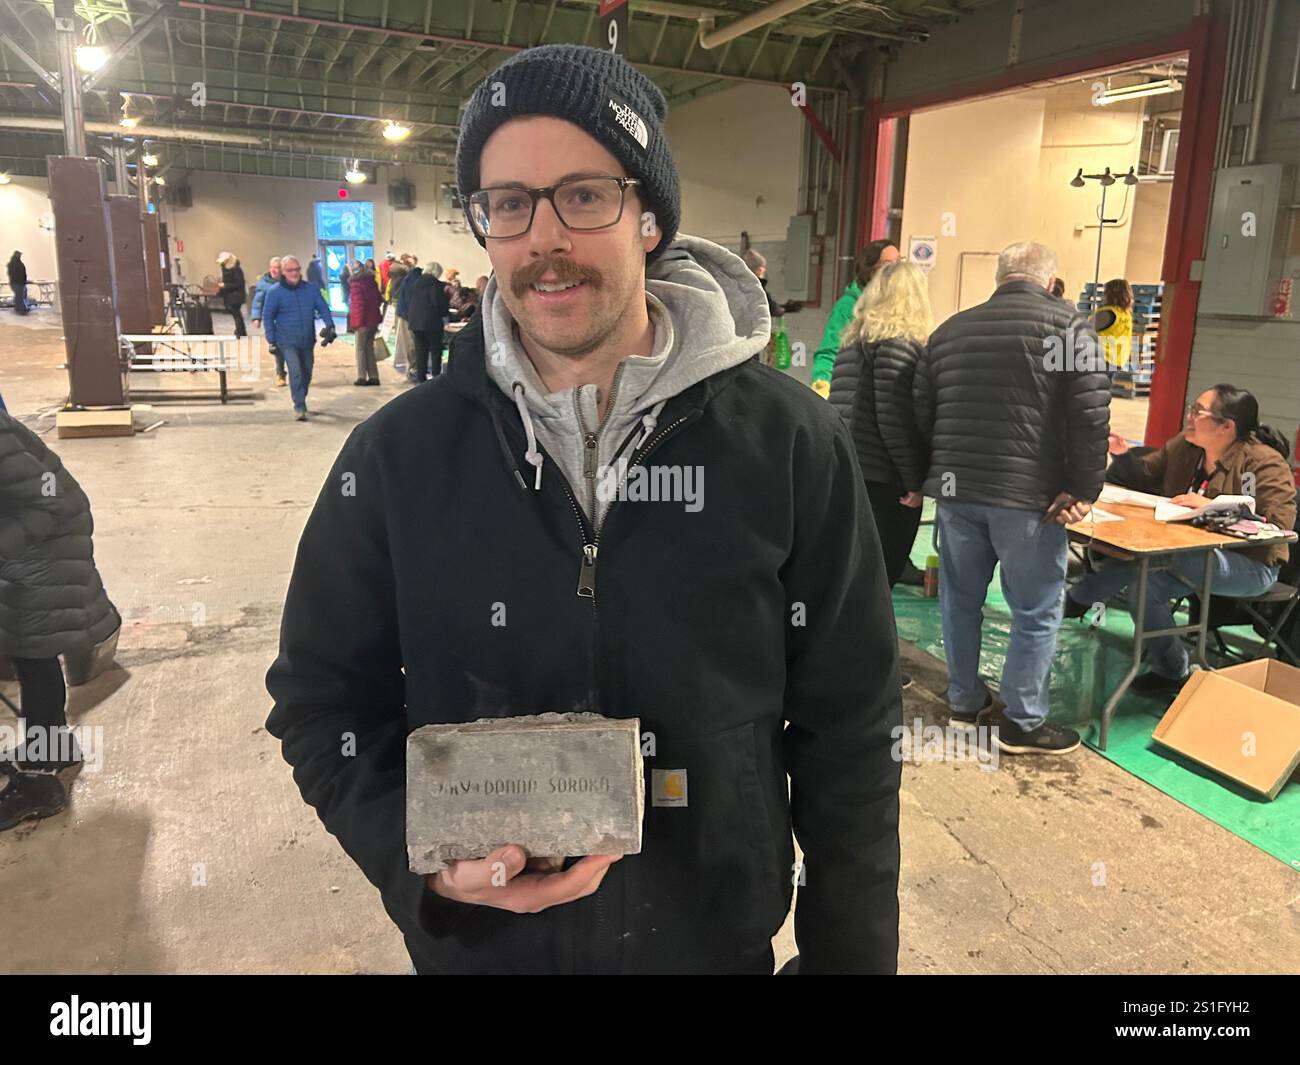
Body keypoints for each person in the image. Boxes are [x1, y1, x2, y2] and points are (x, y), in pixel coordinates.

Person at [265, 43, 901, 976]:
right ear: (484, 225)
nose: (544, 238)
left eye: (586, 194)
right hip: (481, 958)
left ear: (647, 216)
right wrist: (427, 879)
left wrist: (851, 961)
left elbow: (851, 726)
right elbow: (321, 706)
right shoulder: (397, 457)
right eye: (509, 204)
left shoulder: (791, 444)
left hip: (714, 952)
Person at [913, 240, 1110, 755]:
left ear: (999, 277)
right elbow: (1091, 413)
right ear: (1049, 280)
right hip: (1030, 499)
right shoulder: (1068, 327)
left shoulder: (950, 331)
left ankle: (963, 702)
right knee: (1036, 608)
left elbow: (921, 411)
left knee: (960, 600)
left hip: (956, 494)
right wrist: (1085, 487)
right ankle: (1022, 722)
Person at [1066, 385, 1296, 693]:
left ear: (1227, 426)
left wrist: (1215, 508)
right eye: (1191, 408)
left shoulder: (1263, 463)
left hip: (1250, 566)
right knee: (1144, 588)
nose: (1189, 416)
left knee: (1154, 556)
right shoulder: (1186, 448)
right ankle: (1173, 671)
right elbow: (1144, 474)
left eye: (1198, 412)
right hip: (1185, 554)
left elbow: (1278, 527)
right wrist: (1123, 454)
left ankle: (1078, 599)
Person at [0, 410, 120, 830]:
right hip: (30, 540)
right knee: (29, 648)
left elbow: (44, 502)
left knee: (34, 648)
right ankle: (54, 744)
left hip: (48, 543)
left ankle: (41, 779)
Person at [828, 261, 932, 689]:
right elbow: (893, 419)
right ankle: (869, 669)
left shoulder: (853, 343)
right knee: (878, 578)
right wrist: (913, 479)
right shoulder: (899, 346)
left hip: (847, 470)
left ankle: (843, 659)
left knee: (851, 574)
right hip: (883, 479)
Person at [810, 239, 899, 398]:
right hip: (854, 395)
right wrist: (821, 387)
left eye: (899, 262)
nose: (896, 270)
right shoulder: (848, 306)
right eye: (887, 264)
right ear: (870, 269)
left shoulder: (897, 305)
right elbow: (828, 352)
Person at [261, 254, 336, 421]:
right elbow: (268, 316)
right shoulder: (275, 293)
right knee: (295, 373)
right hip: (286, 341)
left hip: (307, 339)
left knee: (307, 372)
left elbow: (323, 307)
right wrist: (271, 339)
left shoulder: (310, 289)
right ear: (283, 272)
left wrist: (329, 324)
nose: (294, 273)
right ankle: (299, 405)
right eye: (290, 270)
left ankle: (301, 394)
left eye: (296, 269)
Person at [407, 260, 450, 380]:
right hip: (432, 323)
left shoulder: (416, 283)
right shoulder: (435, 285)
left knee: (421, 351)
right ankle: (436, 378)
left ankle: (421, 377)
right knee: (436, 351)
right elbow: (439, 304)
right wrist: (445, 312)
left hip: (415, 323)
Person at [251, 257, 286, 386]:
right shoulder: (264, 283)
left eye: (277, 268)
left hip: (287, 319)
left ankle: (296, 372)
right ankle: (280, 374)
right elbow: (258, 301)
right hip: (271, 320)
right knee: (277, 348)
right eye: (272, 267)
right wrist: (256, 317)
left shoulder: (288, 282)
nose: (274, 270)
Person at [349, 260, 382, 386]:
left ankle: (361, 376)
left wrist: (358, 323)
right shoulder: (371, 281)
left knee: (361, 348)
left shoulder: (356, 283)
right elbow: (379, 299)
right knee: (369, 348)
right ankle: (374, 376)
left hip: (363, 322)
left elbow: (358, 305)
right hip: (373, 320)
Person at [1092, 277, 1133, 374]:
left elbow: (1083, 331)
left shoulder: (1107, 313)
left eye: (1105, 292)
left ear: (1110, 294)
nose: (1103, 296)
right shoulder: (1125, 314)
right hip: (1117, 362)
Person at [216, 252, 248, 338]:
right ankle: (240, 330)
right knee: (236, 314)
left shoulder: (236, 270)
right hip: (230, 295)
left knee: (236, 314)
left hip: (236, 296)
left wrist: (225, 286)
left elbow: (239, 284)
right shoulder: (225, 269)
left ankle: (240, 331)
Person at [7, 251, 27, 315]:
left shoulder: (15, 263)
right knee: (19, 295)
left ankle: (19, 307)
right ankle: (19, 308)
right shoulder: (15, 263)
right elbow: (11, 273)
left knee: (19, 295)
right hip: (16, 282)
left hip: (18, 282)